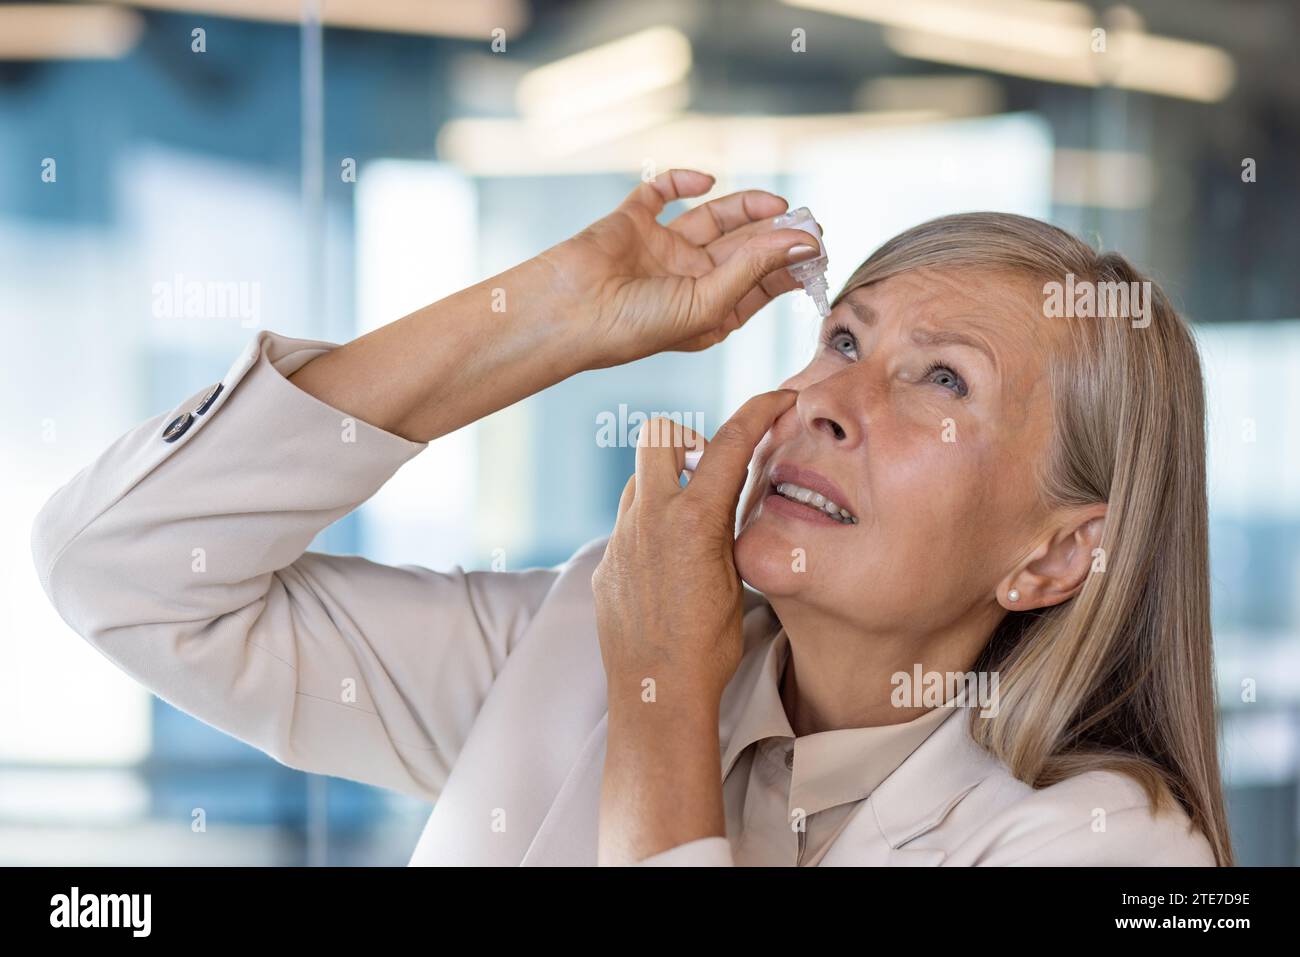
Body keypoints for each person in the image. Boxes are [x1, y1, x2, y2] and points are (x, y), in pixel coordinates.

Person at [31, 169, 1231, 866]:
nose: (827, 401)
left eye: (940, 379)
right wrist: (541, 314)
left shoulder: (1113, 855)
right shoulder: (578, 646)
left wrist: (659, 700)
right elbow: (124, 570)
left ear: (1058, 551)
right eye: (844, 338)